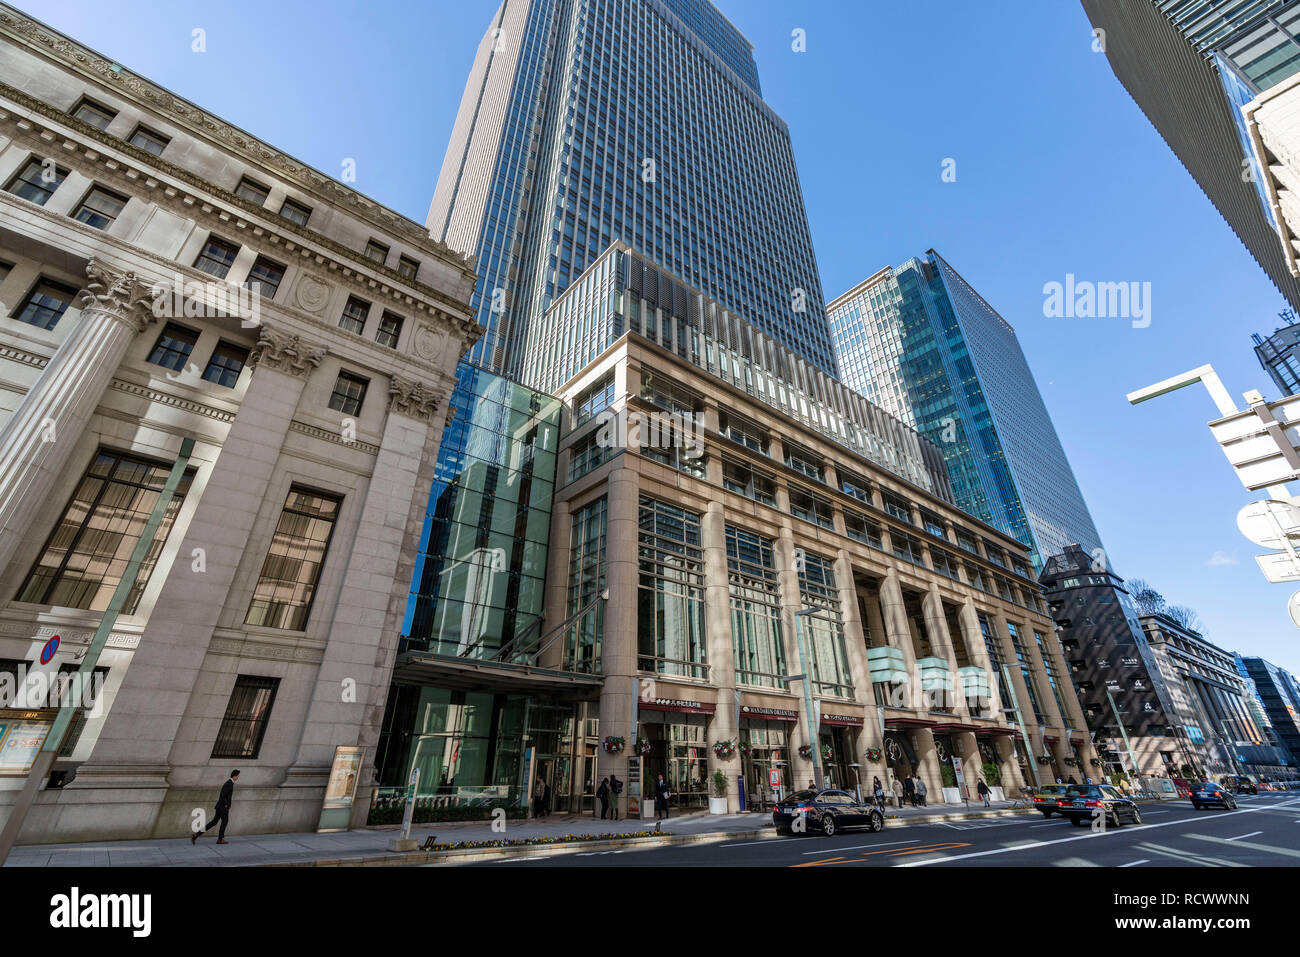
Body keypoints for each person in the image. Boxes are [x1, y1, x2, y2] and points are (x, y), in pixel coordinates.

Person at [193, 769, 239, 845]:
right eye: (237, 776)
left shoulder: (230, 783)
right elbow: (223, 795)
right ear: (234, 776)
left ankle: (197, 834)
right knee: (224, 822)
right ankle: (220, 839)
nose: (238, 777)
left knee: (213, 822)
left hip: (219, 807)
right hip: (222, 807)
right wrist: (226, 804)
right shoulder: (229, 783)